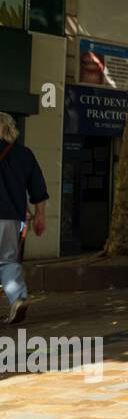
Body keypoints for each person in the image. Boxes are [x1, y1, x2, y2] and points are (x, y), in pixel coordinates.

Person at [0, 113, 48, 325]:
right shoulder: (24, 154)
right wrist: (40, 215)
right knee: (7, 261)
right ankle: (18, 298)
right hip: (10, 218)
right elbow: (38, 188)